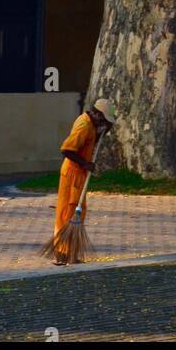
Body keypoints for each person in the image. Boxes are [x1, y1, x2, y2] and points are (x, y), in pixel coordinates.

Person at [49, 97, 116, 264]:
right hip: (72, 174)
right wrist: (85, 163)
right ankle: (62, 252)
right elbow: (66, 150)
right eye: (104, 119)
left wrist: (106, 129)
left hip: (79, 175)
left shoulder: (91, 123)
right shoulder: (84, 126)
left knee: (77, 213)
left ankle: (70, 252)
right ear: (97, 114)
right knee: (67, 214)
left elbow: (93, 138)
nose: (104, 123)